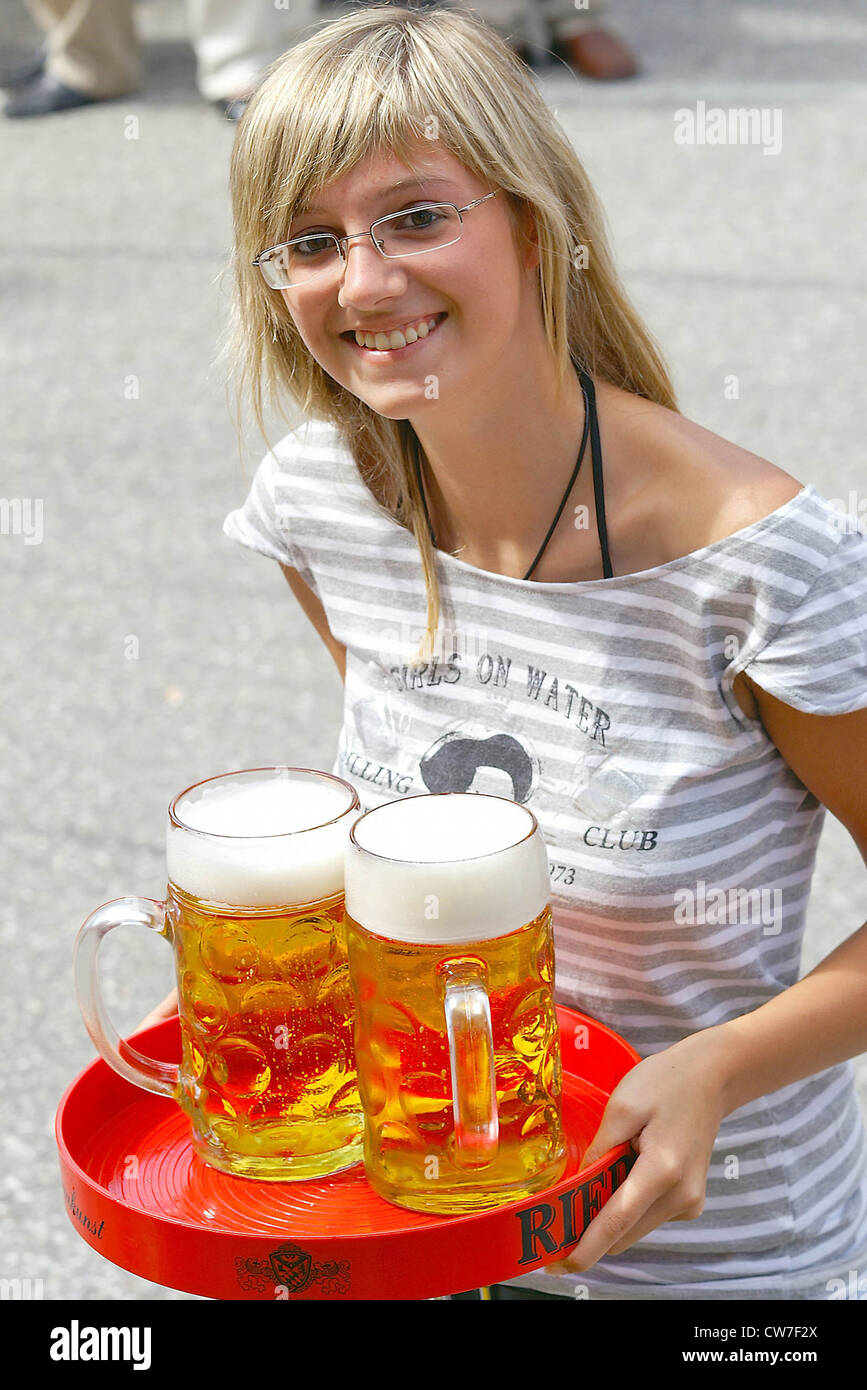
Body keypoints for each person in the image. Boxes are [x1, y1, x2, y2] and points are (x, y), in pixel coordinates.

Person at [153, 4, 867, 1299]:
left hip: (714, 1265)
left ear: (538, 224)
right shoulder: (318, 502)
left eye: (417, 218)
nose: (364, 283)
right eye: (312, 242)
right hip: (424, 1222)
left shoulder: (766, 561)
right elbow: (410, 832)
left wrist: (719, 1065)